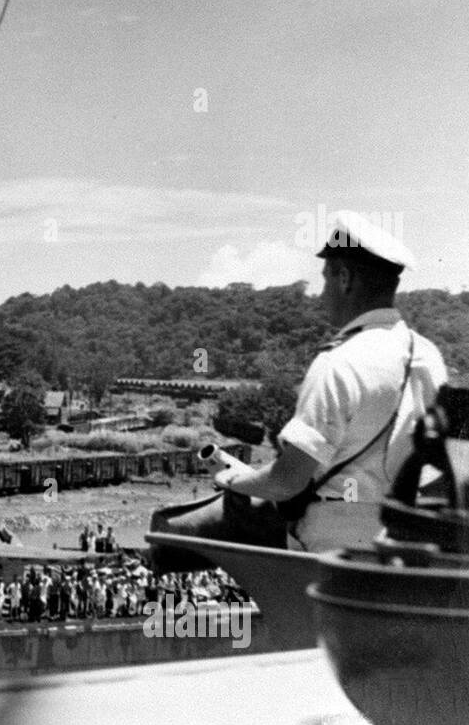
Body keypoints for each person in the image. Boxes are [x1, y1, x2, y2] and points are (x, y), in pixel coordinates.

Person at [154, 211, 447, 558]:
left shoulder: (338, 363)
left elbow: (287, 481)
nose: (322, 295)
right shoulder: (428, 356)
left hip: (332, 547)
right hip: (400, 541)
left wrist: (230, 479)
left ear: (344, 278)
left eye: (326, 280)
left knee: (171, 537)